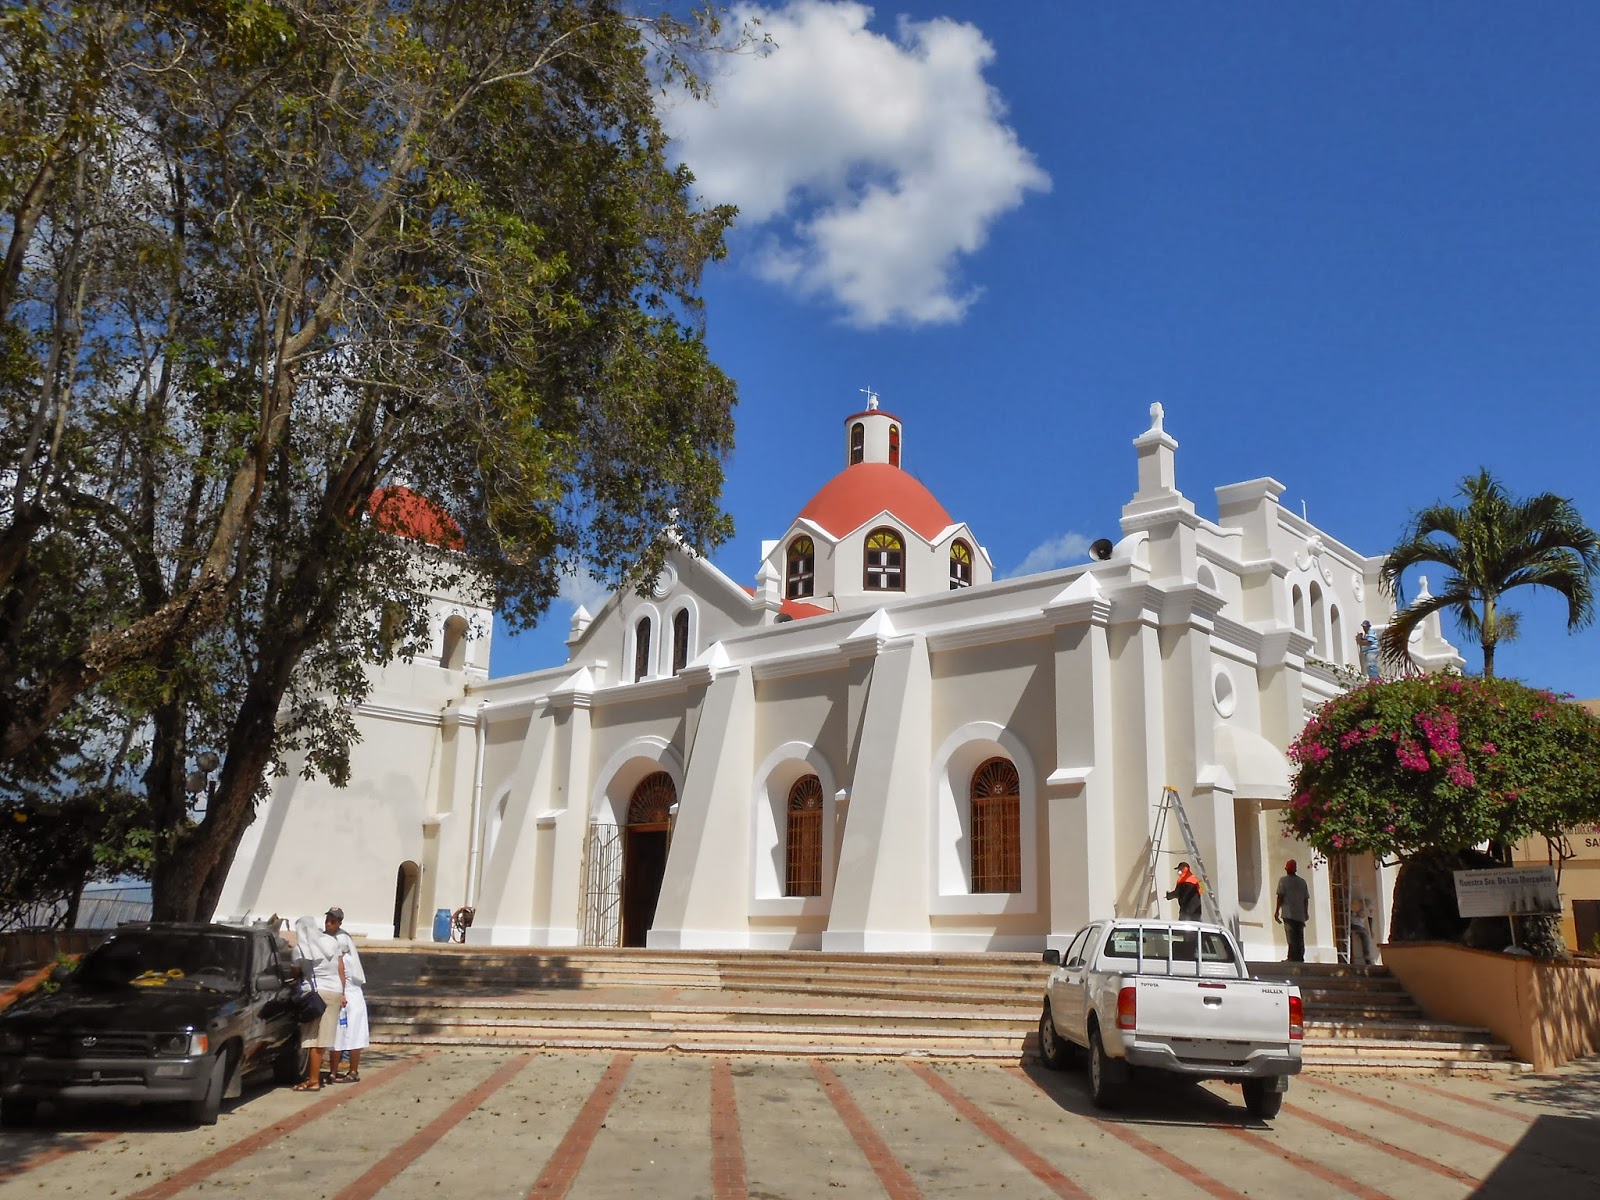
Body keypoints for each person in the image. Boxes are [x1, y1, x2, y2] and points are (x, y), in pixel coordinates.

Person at [292, 911, 346, 1091]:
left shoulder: (300, 948)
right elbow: (340, 968)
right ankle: (314, 1078)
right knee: (325, 1038)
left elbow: (295, 973)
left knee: (315, 1039)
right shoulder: (331, 942)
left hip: (316, 995)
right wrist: (343, 992)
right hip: (335, 991)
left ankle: (313, 1080)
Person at [326, 908, 368, 1083]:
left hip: (350, 995)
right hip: (340, 994)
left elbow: (342, 974)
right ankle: (333, 1071)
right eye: (328, 920)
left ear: (340, 922)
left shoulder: (342, 941)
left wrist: (342, 994)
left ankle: (353, 1070)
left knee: (353, 1034)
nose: (329, 924)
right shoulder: (328, 938)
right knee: (337, 1035)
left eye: (333, 921)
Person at [1274, 860, 1311, 963]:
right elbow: (1305, 899)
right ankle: (1300, 957)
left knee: (1291, 937)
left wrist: (1277, 911)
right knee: (1299, 937)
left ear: (1287, 869)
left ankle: (1292, 958)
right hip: (1299, 914)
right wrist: (1306, 912)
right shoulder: (1302, 882)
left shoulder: (1283, 881)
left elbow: (1280, 897)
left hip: (1288, 914)